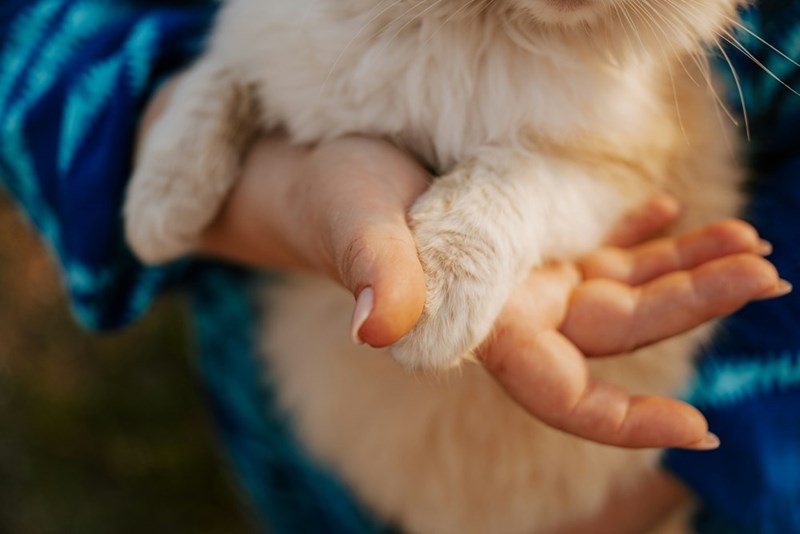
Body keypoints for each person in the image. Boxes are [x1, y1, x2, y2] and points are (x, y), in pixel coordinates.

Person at [0, 1, 797, 532]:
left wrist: (503, 210)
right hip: (308, 411)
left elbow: (613, 167)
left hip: (672, 455)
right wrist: (250, 156)